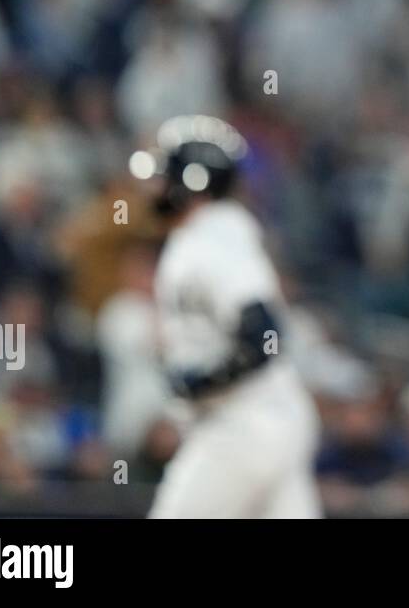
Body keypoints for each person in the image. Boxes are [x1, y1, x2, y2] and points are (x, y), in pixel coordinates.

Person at [131, 115, 322, 518]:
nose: (154, 187)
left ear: (192, 182)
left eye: (165, 176)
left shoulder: (210, 240)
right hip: (271, 418)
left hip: (240, 424)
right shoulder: (217, 235)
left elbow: (262, 332)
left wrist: (199, 380)